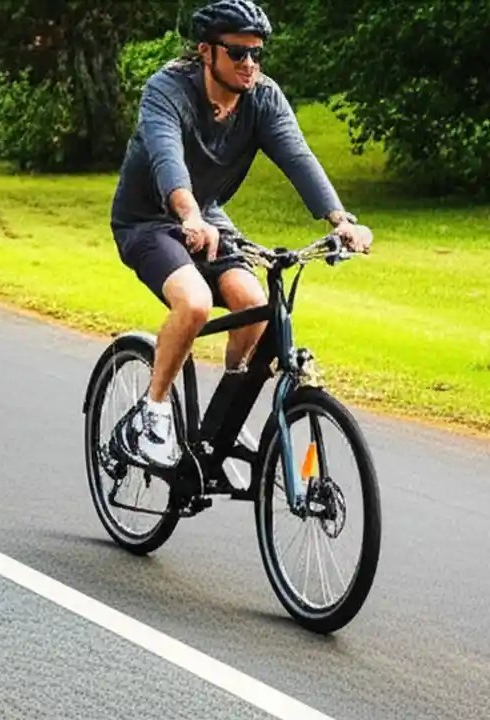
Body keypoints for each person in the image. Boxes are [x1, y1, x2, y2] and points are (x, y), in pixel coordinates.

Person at [106, 0, 373, 471]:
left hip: (208, 217)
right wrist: (189, 214)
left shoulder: (262, 98)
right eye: (237, 53)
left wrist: (340, 220)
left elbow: (298, 156)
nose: (250, 63)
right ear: (206, 52)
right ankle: (153, 413)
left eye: (256, 53)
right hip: (148, 219)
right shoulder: (167, 90)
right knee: (194, 303)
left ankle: (225, 413)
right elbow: (167, 158)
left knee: (254, 307)